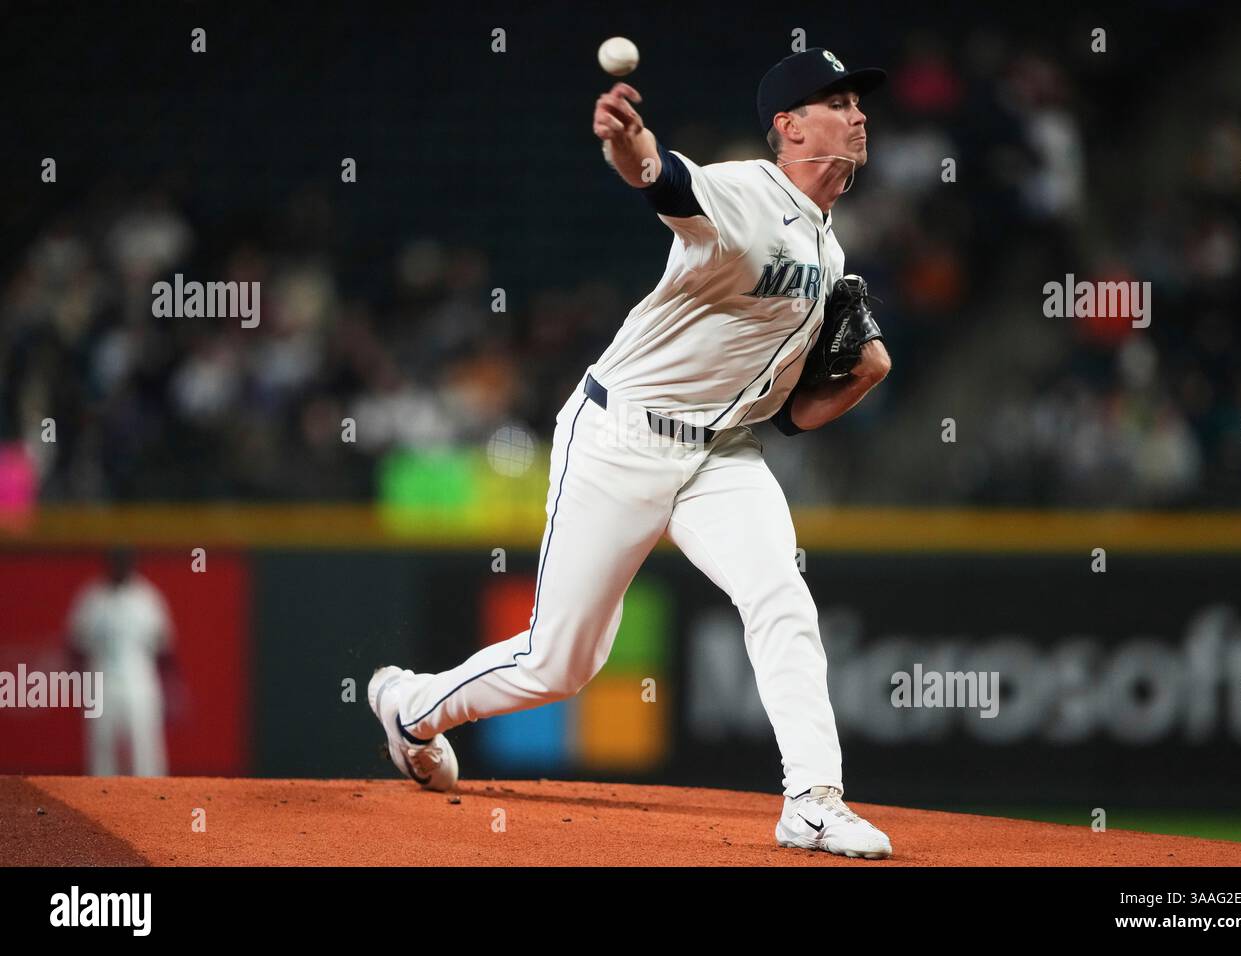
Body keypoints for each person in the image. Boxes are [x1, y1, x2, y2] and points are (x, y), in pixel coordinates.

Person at [370, 48, 895, 859]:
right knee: (561, 665)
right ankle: (412, 708)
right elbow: (665, 182)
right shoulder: (749, 193)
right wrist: (630, 141)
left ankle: (813, 800)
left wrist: (862, 378)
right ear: (788, 127)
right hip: (622, 436)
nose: (858, 114)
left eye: (859, 101)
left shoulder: (828, 254)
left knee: (781, 597)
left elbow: (787, 415)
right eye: (837, 101)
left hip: (721, 453)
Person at [67, 548, 176, 777]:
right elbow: (75, 645)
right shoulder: (92, 598)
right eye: (116, 560)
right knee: (101, 746)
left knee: (144, 744)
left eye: (124, 560)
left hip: (140, 680)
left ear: (133, 563)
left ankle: (156, 798)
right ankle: (98, 800)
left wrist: (172, 689)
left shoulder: (147, 598)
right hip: (101, 680)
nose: (120, 565)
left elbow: (165, 649)